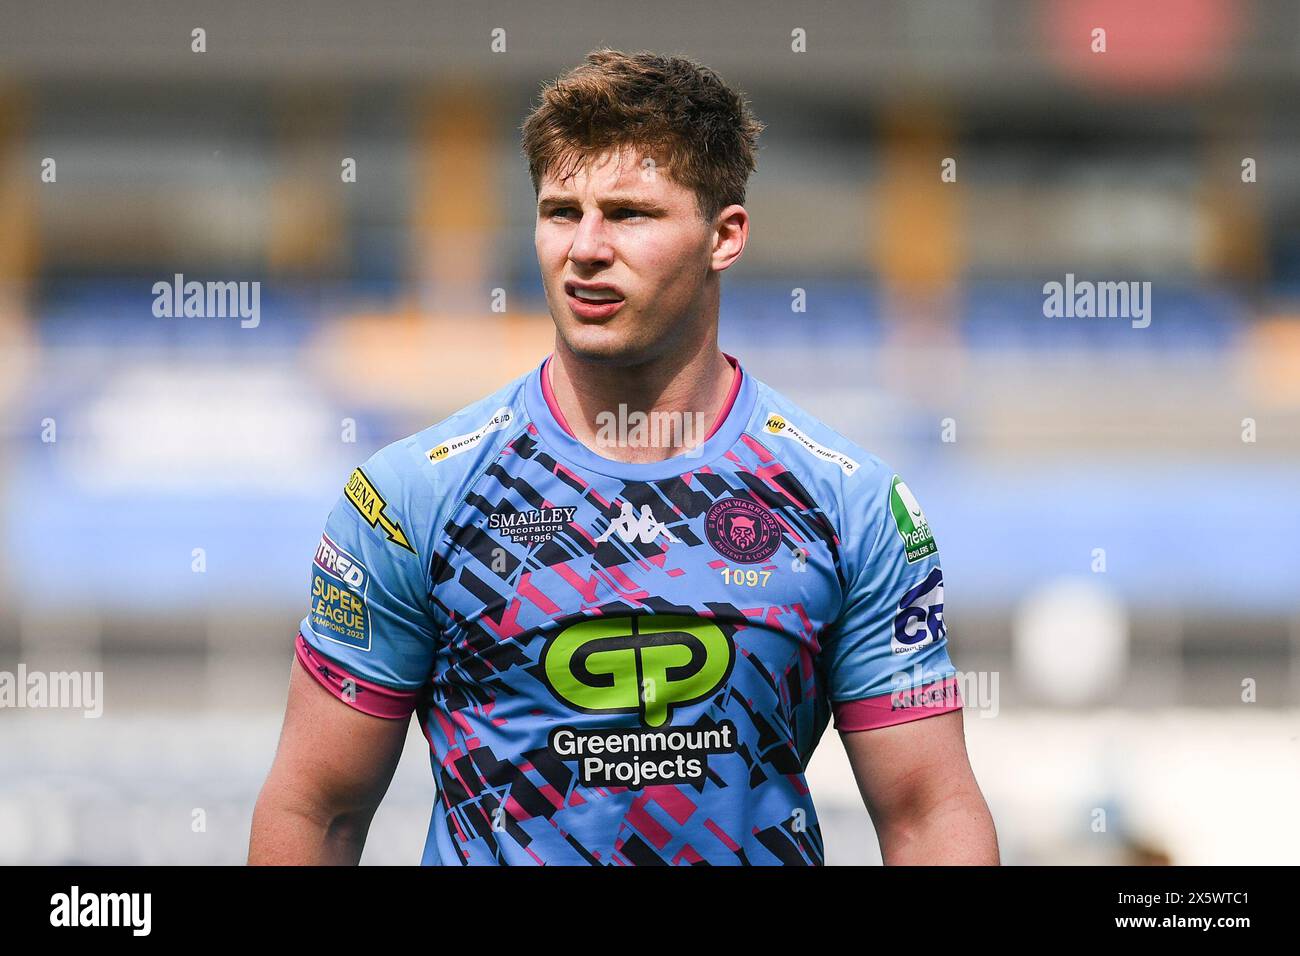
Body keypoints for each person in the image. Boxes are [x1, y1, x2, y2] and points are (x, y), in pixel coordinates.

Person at [249, 48, 998, 866]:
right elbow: (315, 811)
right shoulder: (410, 498)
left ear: (725, 236)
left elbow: (928, 812)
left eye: (630, 214)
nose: (587, 248)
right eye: (561, 212)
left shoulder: (848, 502)